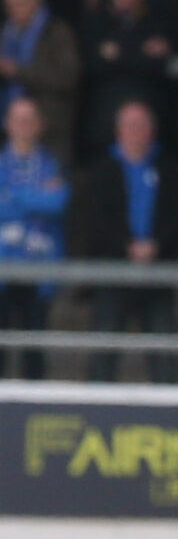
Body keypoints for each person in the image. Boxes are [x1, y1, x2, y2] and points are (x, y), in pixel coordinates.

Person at [70, 97, 178, 382]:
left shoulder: (168, 169)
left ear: (152, 130)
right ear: (119, 130)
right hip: (113, 271)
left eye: (142, 125)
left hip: (158, 271)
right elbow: (94, 219)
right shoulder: (101, 170)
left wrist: (156, 245)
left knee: (163, 350)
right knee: (104, 349)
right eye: (130, 125)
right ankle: (97, 414)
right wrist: (125, 246)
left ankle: (170, 416)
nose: (136, 131)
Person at [0, 95, 69, 378]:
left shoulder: (53, 165)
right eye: (18, 120)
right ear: (7, 124)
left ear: (40, 125)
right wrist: (37, 197)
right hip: (3, 270)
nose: (24, 126)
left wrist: (12, 197)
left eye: (30, 120)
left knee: (34, 349)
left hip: (40, 268)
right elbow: (45, 201)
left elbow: (58, 203)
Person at [79, 0, 172, 154]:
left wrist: (118, 53)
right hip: (105, 121)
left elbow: (160, 67)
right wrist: (140, 52)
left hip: (152, 113)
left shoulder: (159, 20)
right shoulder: (94, 22)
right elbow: (92, 67)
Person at [0, 0, 80, 169]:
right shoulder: (6, 34)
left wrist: (17, 71)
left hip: (50, 130)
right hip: (10, 133)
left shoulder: (57, 32)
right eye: (10, 3)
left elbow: (67, 78)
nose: (15, 8)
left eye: (21, 0)